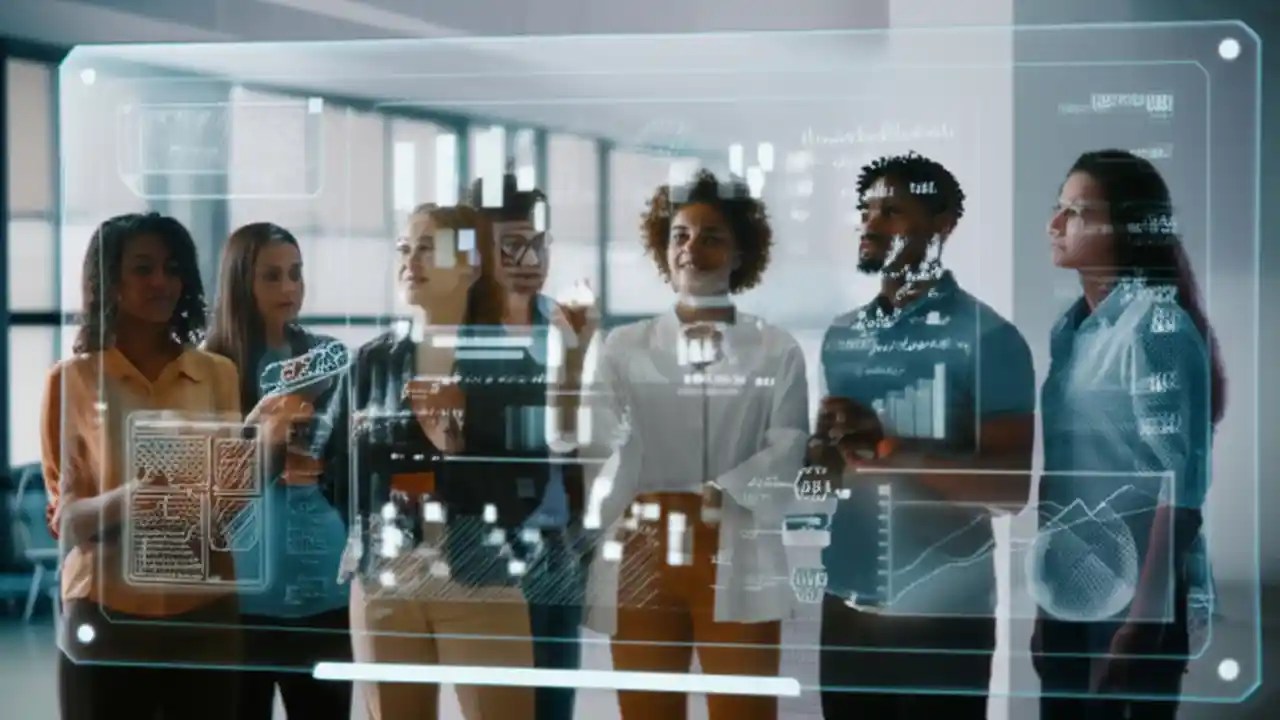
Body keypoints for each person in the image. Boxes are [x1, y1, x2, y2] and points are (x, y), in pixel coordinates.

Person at [815, 151, 1036, 719]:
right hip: (845, 605)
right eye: (867, 210)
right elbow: (831, 478)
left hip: (946, 616)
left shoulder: (990, 338)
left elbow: (1010, 491)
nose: (870, 224)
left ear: (943, 225)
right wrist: (817, 454)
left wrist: (892, 447)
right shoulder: (840, 337)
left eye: (892, 211)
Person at [582, 169, 809, 720]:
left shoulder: (776, 348)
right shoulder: (622, 346)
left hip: (735, 544)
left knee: (743, 712)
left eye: (712, 237)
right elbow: (597, 445)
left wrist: (724, 492)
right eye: (680, 235)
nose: (692, 249)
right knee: (646, 711)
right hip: (643, 550)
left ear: (740, 254)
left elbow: (790, 444)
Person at [1033, 149, 1223, 719]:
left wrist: (1146, 618)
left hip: (1136, 594)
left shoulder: (1154, 324)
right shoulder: (1070, 331)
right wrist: (1046, 606)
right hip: (1072, 587)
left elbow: (1180, 488)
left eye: (1078, 211)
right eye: (1058, 208)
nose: (1056, 225)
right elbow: (1063, 476)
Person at [337, 202, 536, 720]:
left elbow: (533, 484)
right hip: (387, 580)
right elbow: (346, 473)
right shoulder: (372, 361)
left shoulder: (509, 362)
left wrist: (456, 445)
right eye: (404, 247)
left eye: (427, 247)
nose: (411, 259)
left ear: (469, 265)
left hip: (480, 574)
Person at [41, 212, 243, 719]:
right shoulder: (72, 381)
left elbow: (234, 505)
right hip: (105, 615)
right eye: (143, 268)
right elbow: (65, 524)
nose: (161, 282)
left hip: (205, 616)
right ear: (108, 279)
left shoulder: (218, 374)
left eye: (172, 269)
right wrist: (130, 498)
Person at [204, 222, 353, 719]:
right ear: (241, 282)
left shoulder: (328, 359)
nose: (289, 289)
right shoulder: (208, 368)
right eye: (272, 276)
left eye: (296, 274)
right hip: (240, 599)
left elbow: (352, 465)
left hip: (323, 591)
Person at [469, 171, 597, 720]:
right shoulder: (459, 331)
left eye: (539, 243)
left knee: (553, 703)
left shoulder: (564, 325)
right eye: (513, 245)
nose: (531, 258)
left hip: (555, 538)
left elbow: (578, 437)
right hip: (481, 542)